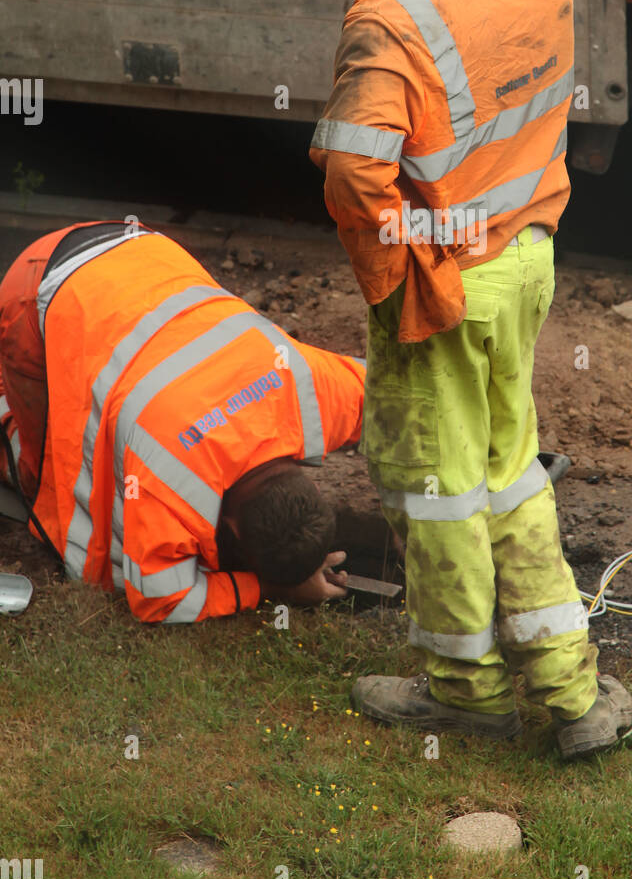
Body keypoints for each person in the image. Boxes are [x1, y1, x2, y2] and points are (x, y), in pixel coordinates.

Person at [309, 0, 632, 759]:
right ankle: (571, 695)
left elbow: (349, 171)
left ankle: (460, 689)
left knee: (439, 487)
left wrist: (397, 280)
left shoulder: (387, 16)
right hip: (527, 260)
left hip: (448, 279)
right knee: (509, 477)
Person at [0, 220, 364, 621]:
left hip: (141, 250)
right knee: (42, 479)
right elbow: (161, 599)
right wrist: (269, 587)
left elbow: (403, 404)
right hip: (37, 290)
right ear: (234, 531)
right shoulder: (169, 480)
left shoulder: (309, 386)